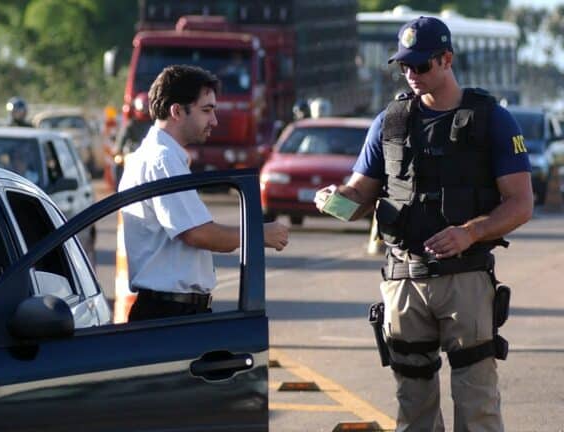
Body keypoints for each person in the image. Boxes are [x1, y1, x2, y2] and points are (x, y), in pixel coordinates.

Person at [313, 17, 533, 431]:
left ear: (447, 59)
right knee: (412, 403)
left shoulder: (492, 119)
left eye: (421, 65)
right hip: (404, 279)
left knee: (478, 403)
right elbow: (360, 194)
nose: (411, 75)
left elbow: (521, 204)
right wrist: (333, 199)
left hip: (465, 278)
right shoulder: (390, 121)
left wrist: (470, 232)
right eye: (404, 67)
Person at [118, 64, 290, 321]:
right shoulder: (161, 160)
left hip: (174, 311)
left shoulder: (162, 157)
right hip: (169, 314)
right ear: (177, 111)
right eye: (206, 110)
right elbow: (198, 234)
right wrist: (259, 234)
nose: (214, 120)